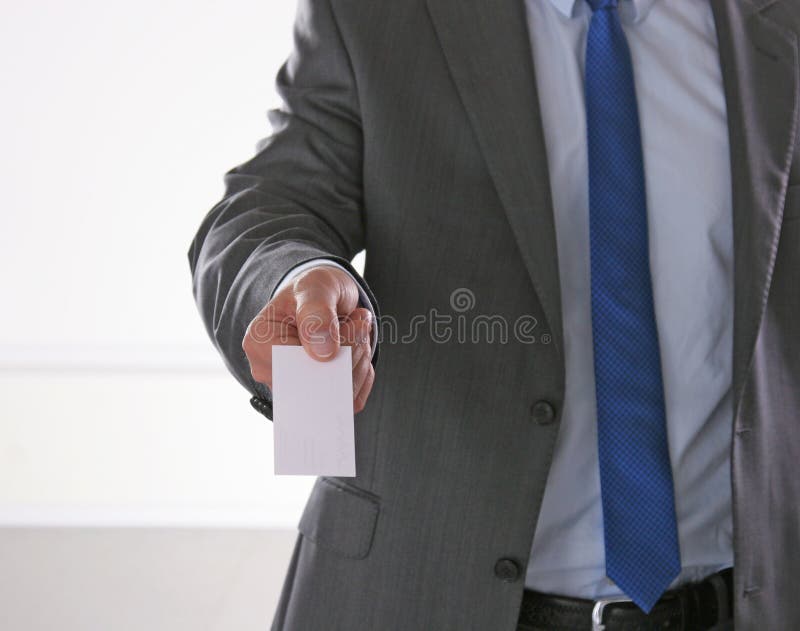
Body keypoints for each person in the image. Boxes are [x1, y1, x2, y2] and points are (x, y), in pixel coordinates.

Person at [187, 0, 800, 628]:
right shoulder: (377, 14)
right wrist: (291, 281)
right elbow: (273, 203)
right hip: (426, 594)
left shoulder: (774, 22)